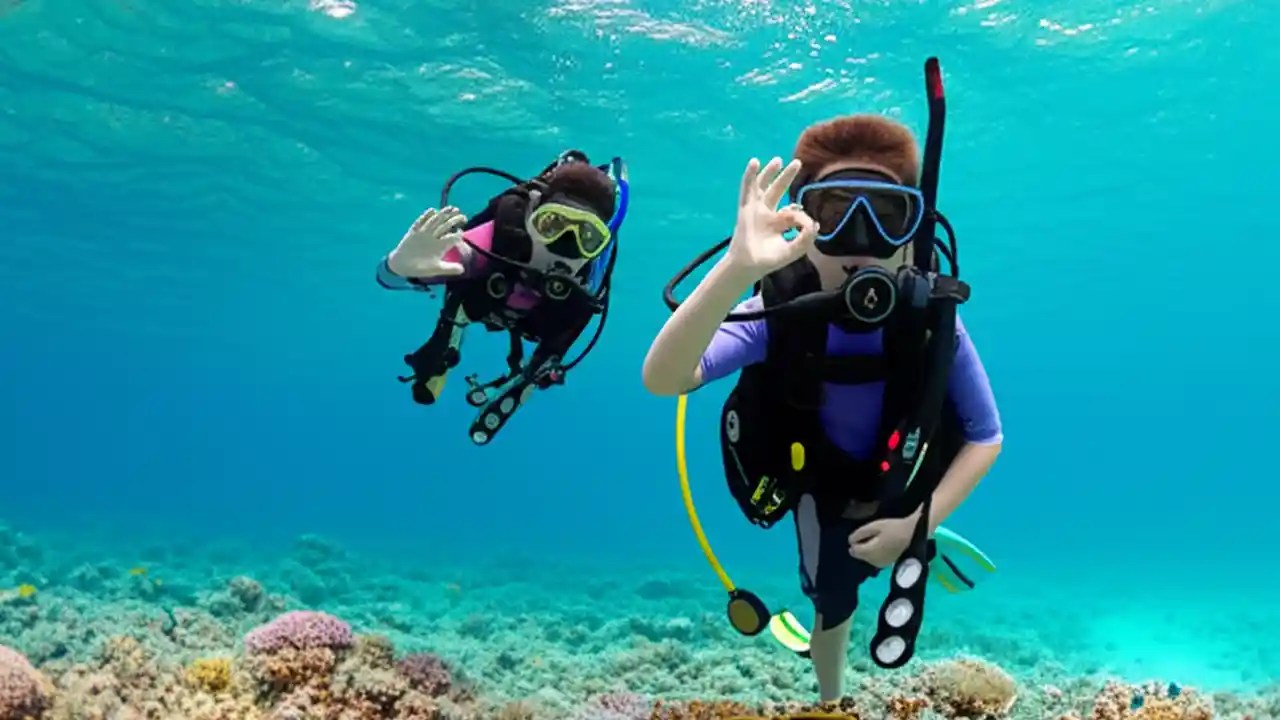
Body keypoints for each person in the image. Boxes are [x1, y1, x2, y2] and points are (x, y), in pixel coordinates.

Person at [645, 82, 1002, 698]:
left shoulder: (935, 319)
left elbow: (986, 436)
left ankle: (922, 544)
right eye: (836, 216)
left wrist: (917, 523)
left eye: (887, 217)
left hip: (906, 484)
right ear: (805, 224)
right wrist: (737, 269)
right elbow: (665, 378)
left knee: (872, 557)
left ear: (914, 227)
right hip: (821, 487)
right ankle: (832, 702)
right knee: (830, 601)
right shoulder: (779, 308)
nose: (861, 243)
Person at [377, 150, 630, 445]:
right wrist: (397, 266)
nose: (564, 246)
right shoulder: (500, 236)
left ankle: (533, 372)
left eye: (587, 238)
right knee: (465, 292)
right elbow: (387, 277)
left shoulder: (589, 273)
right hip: (483, 299)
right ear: (533, 212)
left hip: (543, 319)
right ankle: (450, 332)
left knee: (573, 315)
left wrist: (544, 368)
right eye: (552, 225)